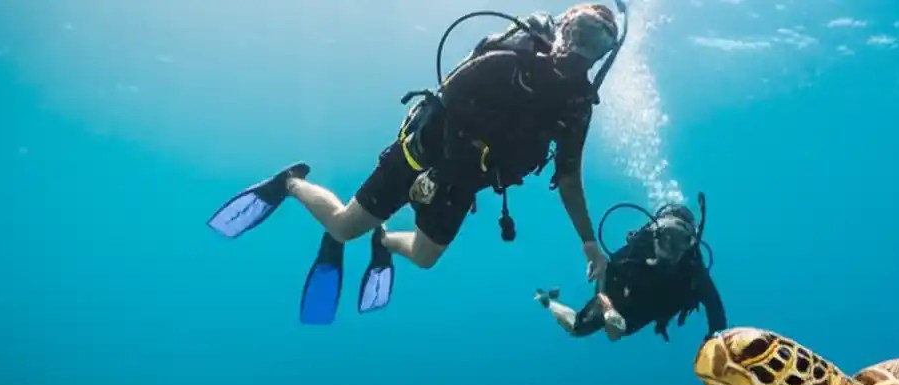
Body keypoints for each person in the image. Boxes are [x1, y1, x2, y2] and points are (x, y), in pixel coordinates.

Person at [206, 4, 627, 324]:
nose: (582, 51)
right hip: (419, 155)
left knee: (425, 259)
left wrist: (589, 243)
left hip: (462, 184)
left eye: (598, 43)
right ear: (563, 30)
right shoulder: (507, 63)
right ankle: (290, 183)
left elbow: (569, 176)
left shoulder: (575, 108)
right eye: (581, 34)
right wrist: (434, 173)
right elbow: (448, 102)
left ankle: (384, 240)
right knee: (343, 227)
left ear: (607, 54)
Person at [535, 195, 726, 342]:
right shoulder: (641, 245)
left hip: (648, 309)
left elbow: (714, 306)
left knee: (616, 331)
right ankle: (548, 301)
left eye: (681, 241)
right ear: (655, 233)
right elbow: (608, 268)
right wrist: (605, 299)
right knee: (578, 327)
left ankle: (604, 315)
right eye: (667, 236)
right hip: (619, 293)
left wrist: (716, 341)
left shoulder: (693, 267)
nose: (671, 248)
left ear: (691, 244)